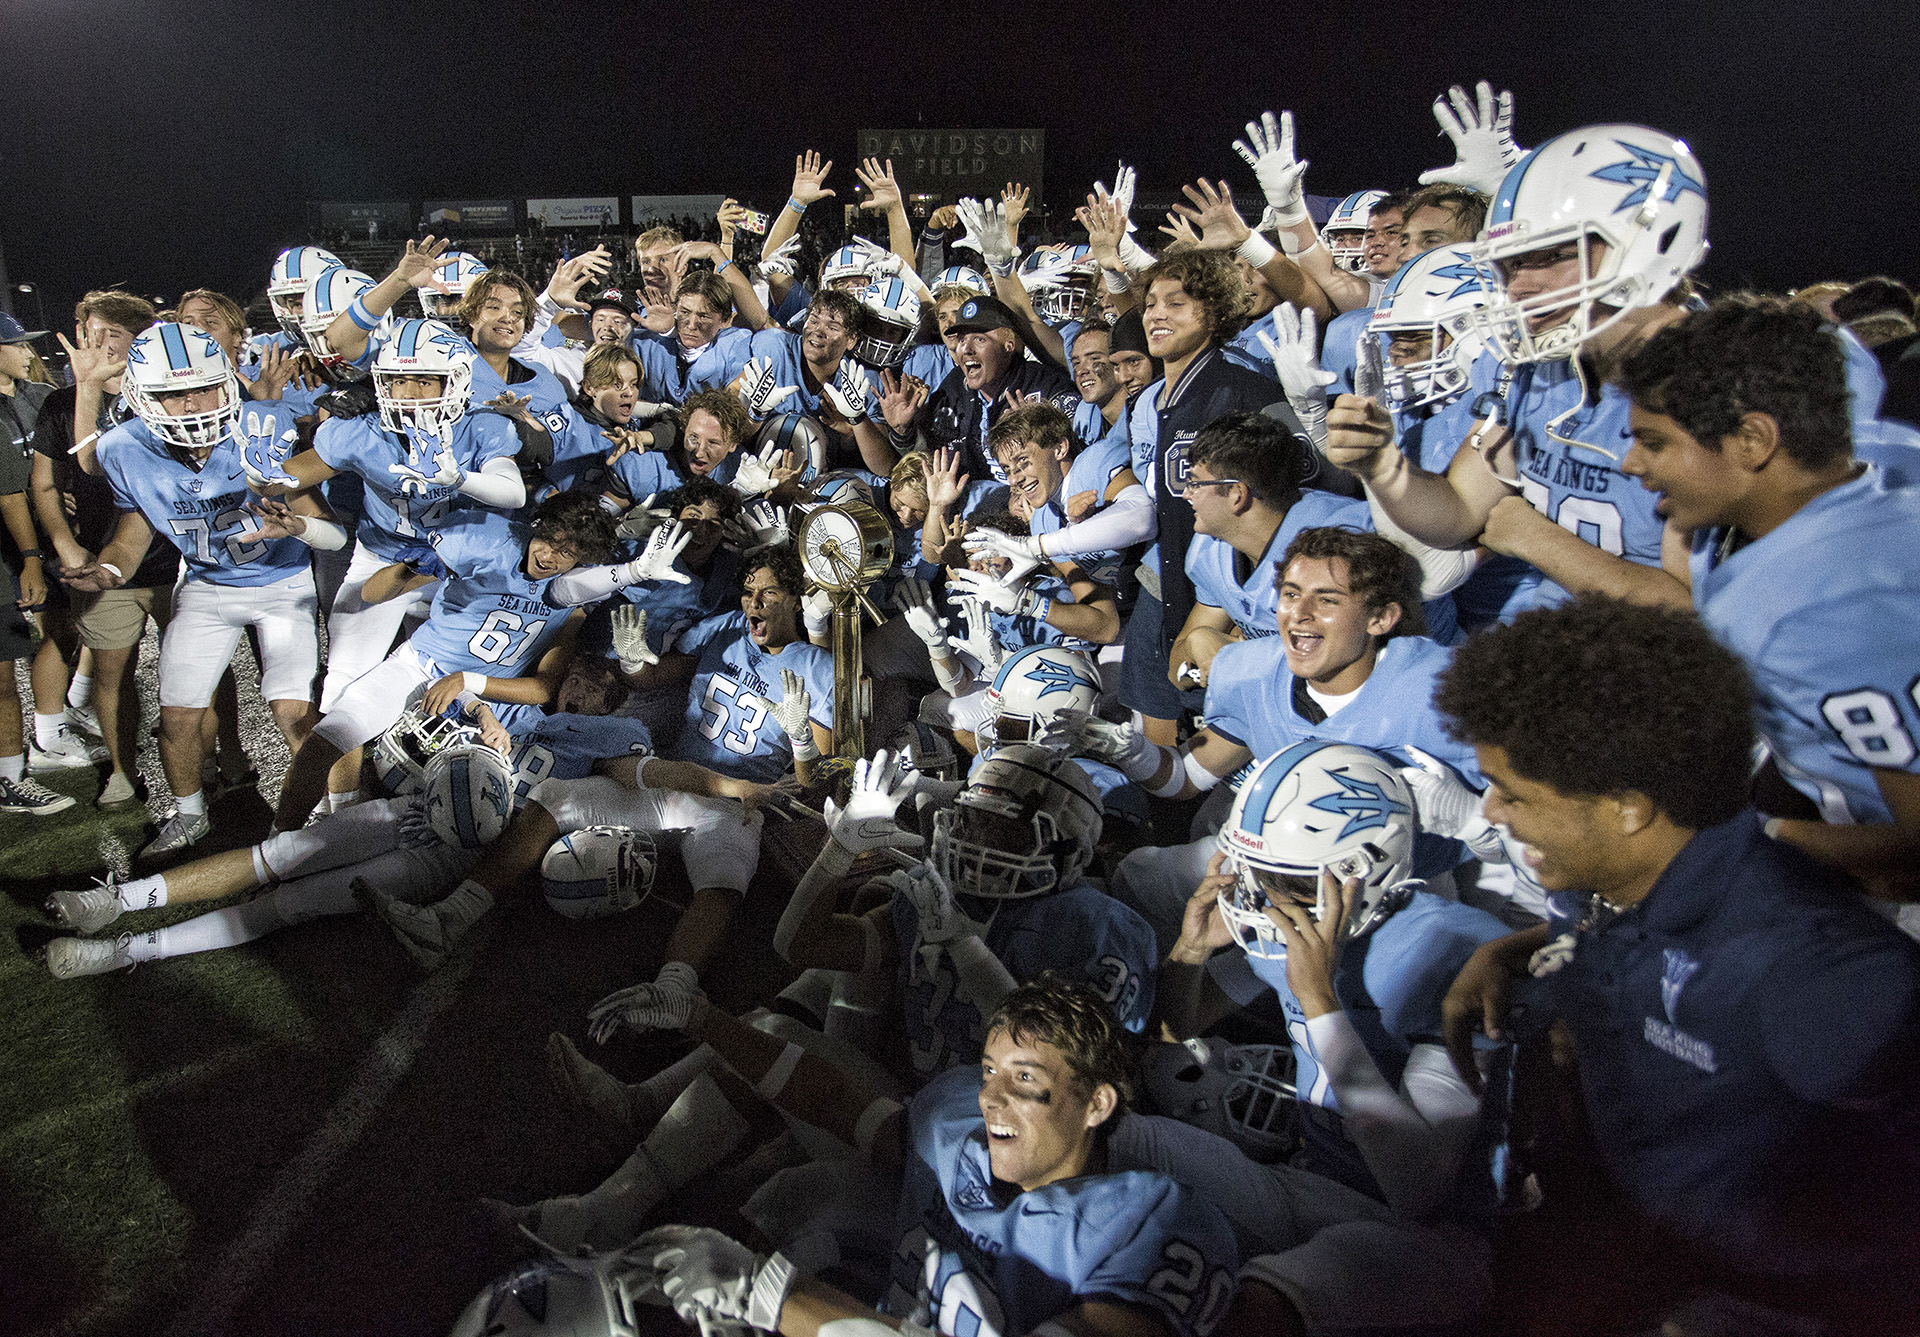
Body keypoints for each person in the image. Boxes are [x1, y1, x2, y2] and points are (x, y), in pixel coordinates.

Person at [1435, 595, 1920, 1331]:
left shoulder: (1812, 972)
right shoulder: (1623, 879)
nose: (1494, 812)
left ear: (1628, 806)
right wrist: (1512, 947)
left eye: (1516, 793)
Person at [548, 977, 1239, 1337]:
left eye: (1025, 1080)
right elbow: (838, 1102)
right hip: (886, 1312)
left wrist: (768, 1291)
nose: (993, 1096)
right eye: (991, 1069)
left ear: (1097, 1104)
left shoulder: (1149, 1225)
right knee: (815, 1192)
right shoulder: (958, 1121)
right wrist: (704, 1018)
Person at [1144, 741, 1510, 1335]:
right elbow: (1173, 1032)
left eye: (1283, 880)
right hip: (1317, 1175)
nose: (1262, 901)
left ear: (1368, 868)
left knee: (1261, 1308)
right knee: (1124, 1148)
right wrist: (1190, 951)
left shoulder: (1454, 951)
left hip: (1430, 1234)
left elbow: (1420, 1190)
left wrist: (1320, 1000)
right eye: (1252, 873)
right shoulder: (1283, 919)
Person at [363, 547, 831, 982]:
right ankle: (450, 918)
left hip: (740, 801)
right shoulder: (726, 627)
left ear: (795, 599)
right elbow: (653, 678)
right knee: (555, 797)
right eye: (749, 591)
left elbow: (814, 779)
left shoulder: (819, 667)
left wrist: (800, 737)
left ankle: (672, 994)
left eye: (769, 593)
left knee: (722, 886)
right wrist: (631, 662)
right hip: (676, 782)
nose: (754, 602)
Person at [1330, 123, 1711, 622]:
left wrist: (1533, 535)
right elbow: (1461, 512)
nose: (1520, 289)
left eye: (1550, 257)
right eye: (1510, 265)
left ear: (1648, 240)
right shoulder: (1533, 365)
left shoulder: (1712, 381)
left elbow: (1687, 613)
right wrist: (1382, 465)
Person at [1614, 295, 1920, 898]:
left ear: (1753, 439)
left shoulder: (1820, 608)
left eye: (1654, 442)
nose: (1631, 463)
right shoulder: (1850, 496)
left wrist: (1751, 838)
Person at [65, 324, 322, 856]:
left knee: (293, 712)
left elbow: (322, 519)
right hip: (207, 584)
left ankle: (325, 813)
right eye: (173, 393)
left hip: (282, 581)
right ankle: (189, 815)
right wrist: (108, 572)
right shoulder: (122, 448)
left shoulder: (259, 427)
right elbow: (132, 535)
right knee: (178, 716)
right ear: (141, 395)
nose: (193, 404)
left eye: (204, 386)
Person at [1123, 249, 1285, 742]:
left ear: (1214, 311)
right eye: (1151, 303)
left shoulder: (1241, 391)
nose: (1156, 313)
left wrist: (1244, 628)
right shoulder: (1159, 398)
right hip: (1180, 585)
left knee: (1226, 743)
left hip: (1232, 598)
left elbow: (1283, 515)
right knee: (1168, 737)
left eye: (1176, 302)